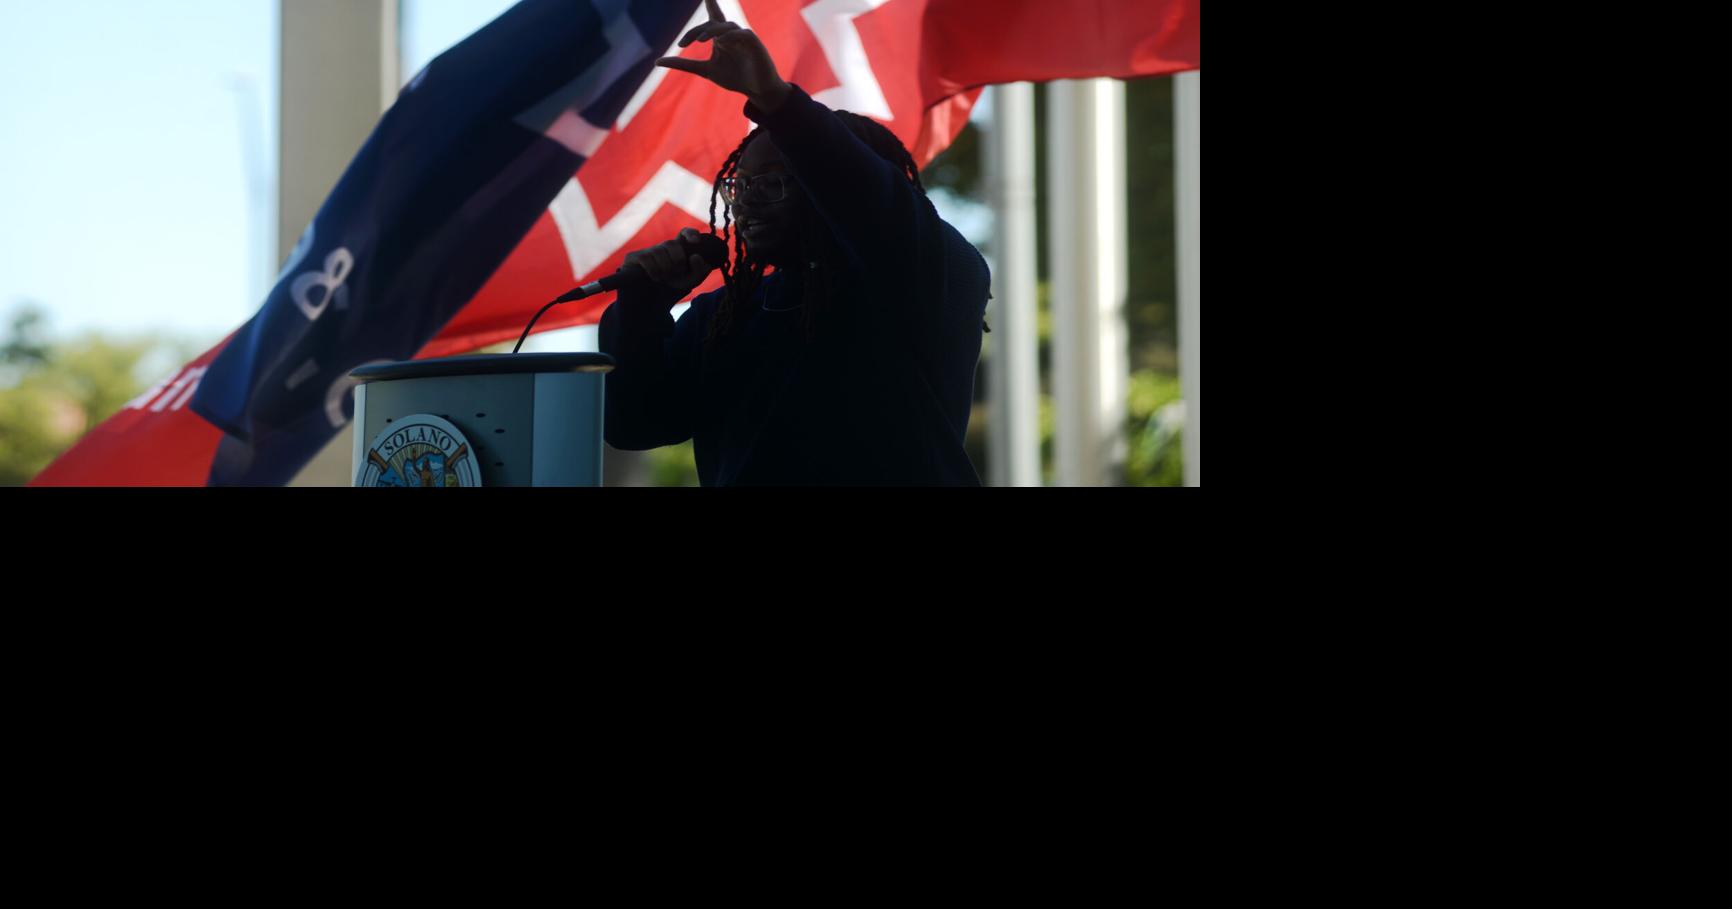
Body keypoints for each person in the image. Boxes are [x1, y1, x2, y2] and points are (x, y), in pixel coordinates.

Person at [598, 0, 991, 486]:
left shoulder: (926, 272)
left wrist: (776, 101)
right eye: (741, 186)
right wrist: (641, 308)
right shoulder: (723, 316)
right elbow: (635, 425)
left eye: (777, 182)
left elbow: (864, 196)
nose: (748, 203)